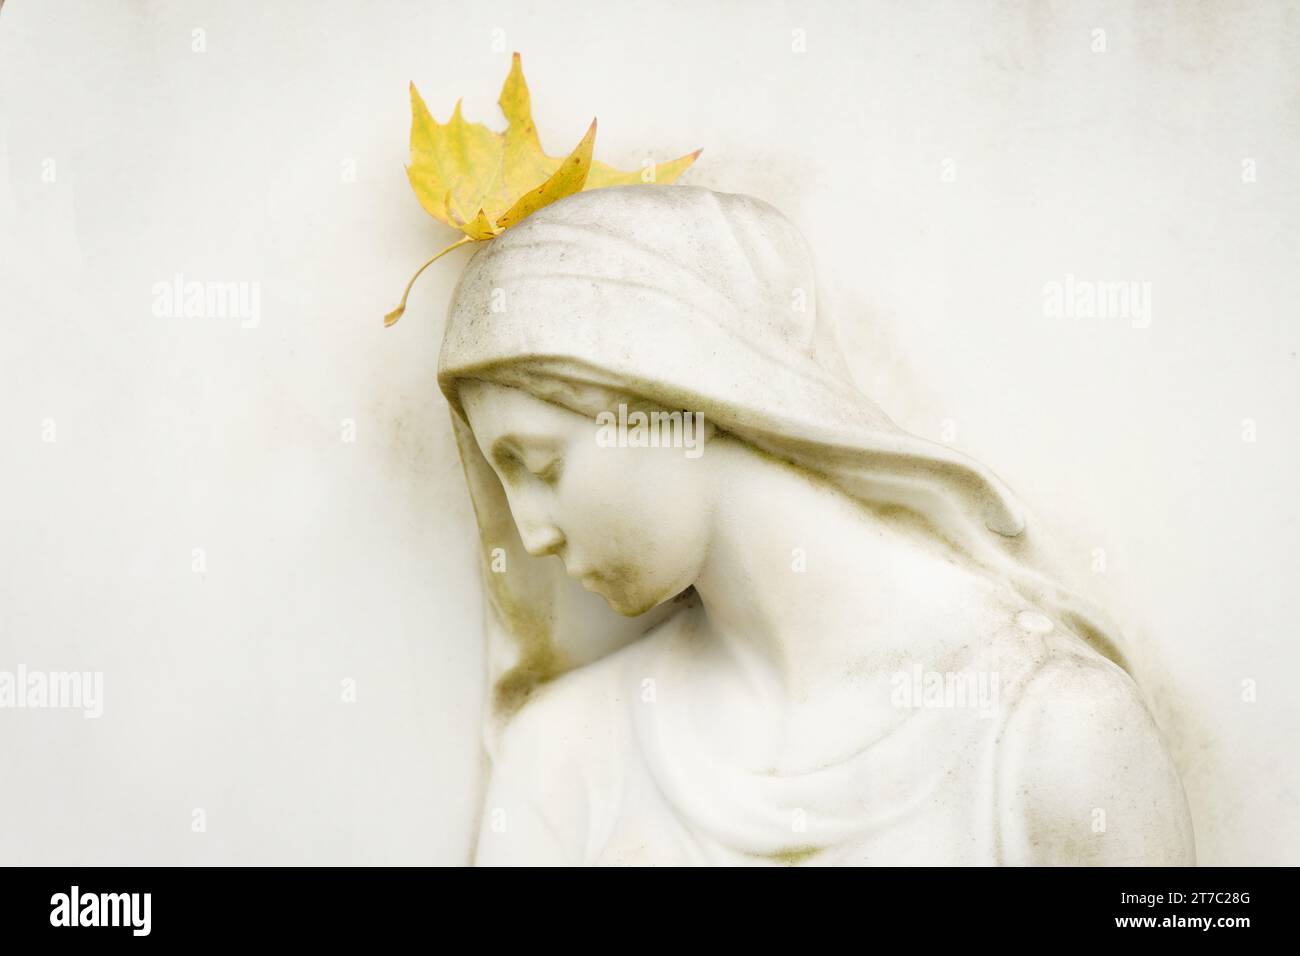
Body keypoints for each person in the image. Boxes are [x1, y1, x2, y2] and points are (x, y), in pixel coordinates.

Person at [436, 185, 1195, 865]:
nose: (530, 535)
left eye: (537, 466)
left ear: (668, 398)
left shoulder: (1054, 733)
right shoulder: (564, 755)